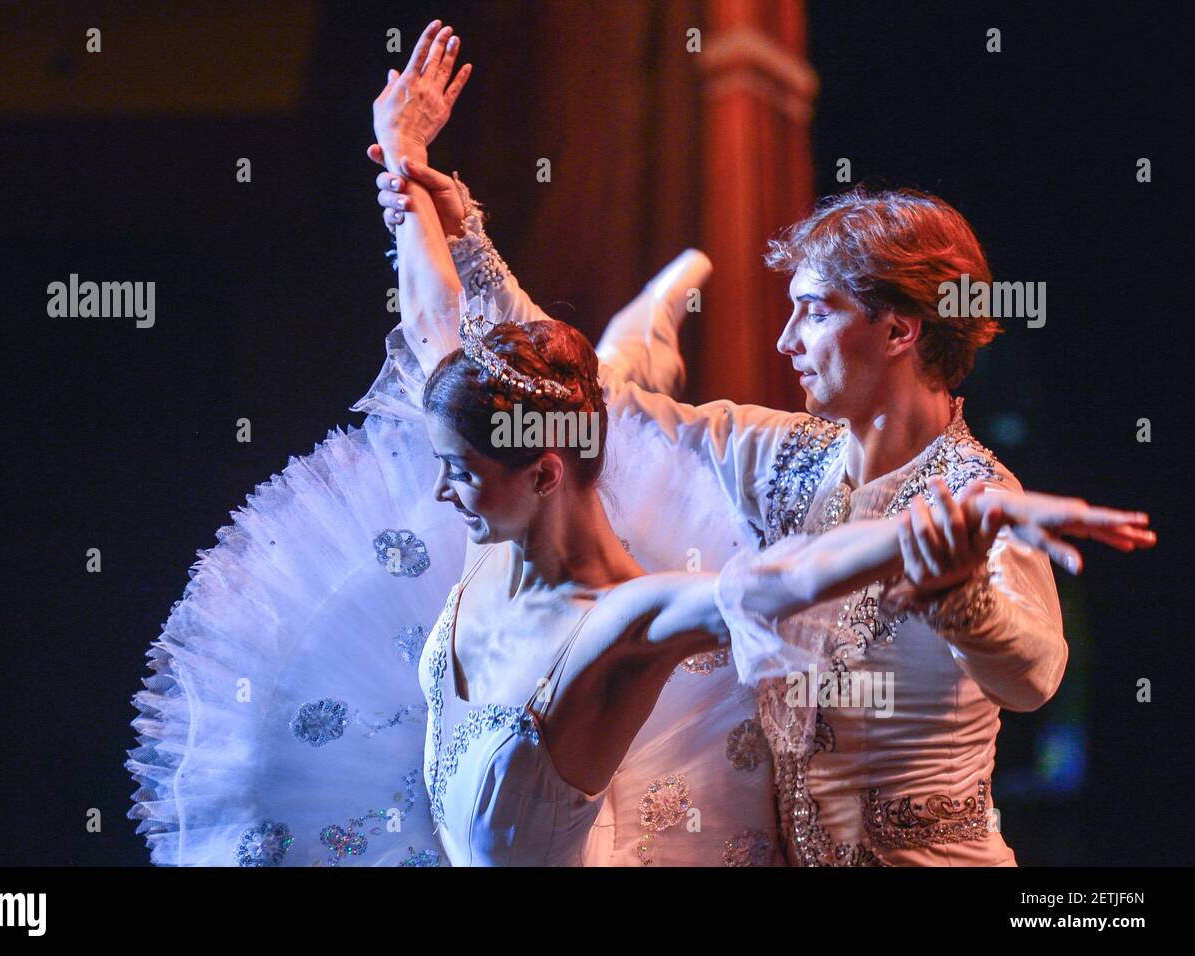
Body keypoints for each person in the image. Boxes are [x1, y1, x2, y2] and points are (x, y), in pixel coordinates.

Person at [368, 20, 1157, 865]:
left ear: (898, 328)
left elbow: (1035, 675)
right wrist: (465, 236)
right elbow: (584, 404)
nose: (785, 341)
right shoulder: (779, 451)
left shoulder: (974, 491)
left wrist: (963, 601)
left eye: (813, 311)